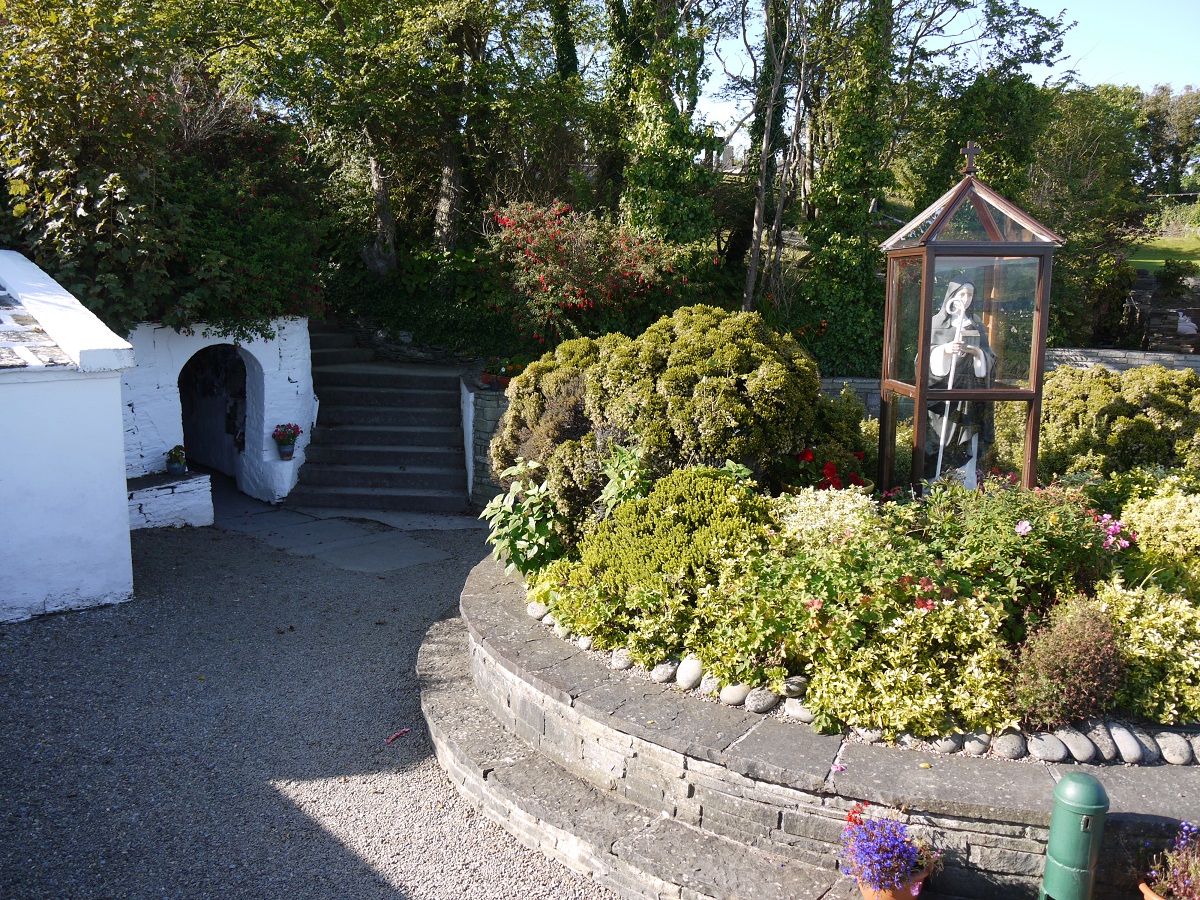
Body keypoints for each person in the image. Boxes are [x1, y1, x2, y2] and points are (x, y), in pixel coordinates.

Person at [924, 279, 996, 488]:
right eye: (962, 294)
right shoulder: (937, 323)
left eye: (970, 295)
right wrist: (944, 351)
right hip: (942, 398)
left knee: (967, 442)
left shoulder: (975, 324)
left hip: (969, 395)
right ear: (952, 295)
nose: (966, 299)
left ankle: (966, 489)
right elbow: (922, 357)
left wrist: (976, 353)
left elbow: (990, 358)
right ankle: (933, 488)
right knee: (940, 443)